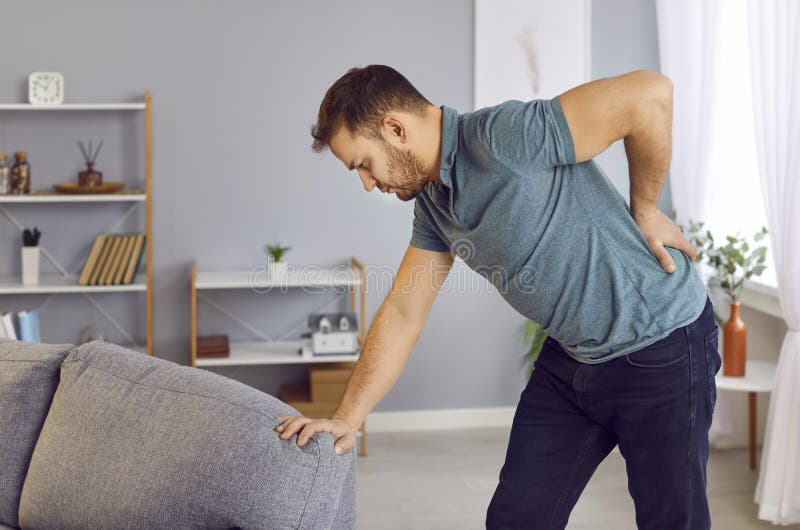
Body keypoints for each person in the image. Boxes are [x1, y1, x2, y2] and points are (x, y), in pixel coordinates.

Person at [274, 64, 721, 530]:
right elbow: (405, 311)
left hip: (662, 344)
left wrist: (646, 209)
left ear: (395, 129)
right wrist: (347, 418)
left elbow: (650, 93)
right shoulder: (435, 204)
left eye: (363, 164)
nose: (368, 182)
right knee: (517, 519)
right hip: (576, 359)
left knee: (673, 521)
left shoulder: (501, 137)